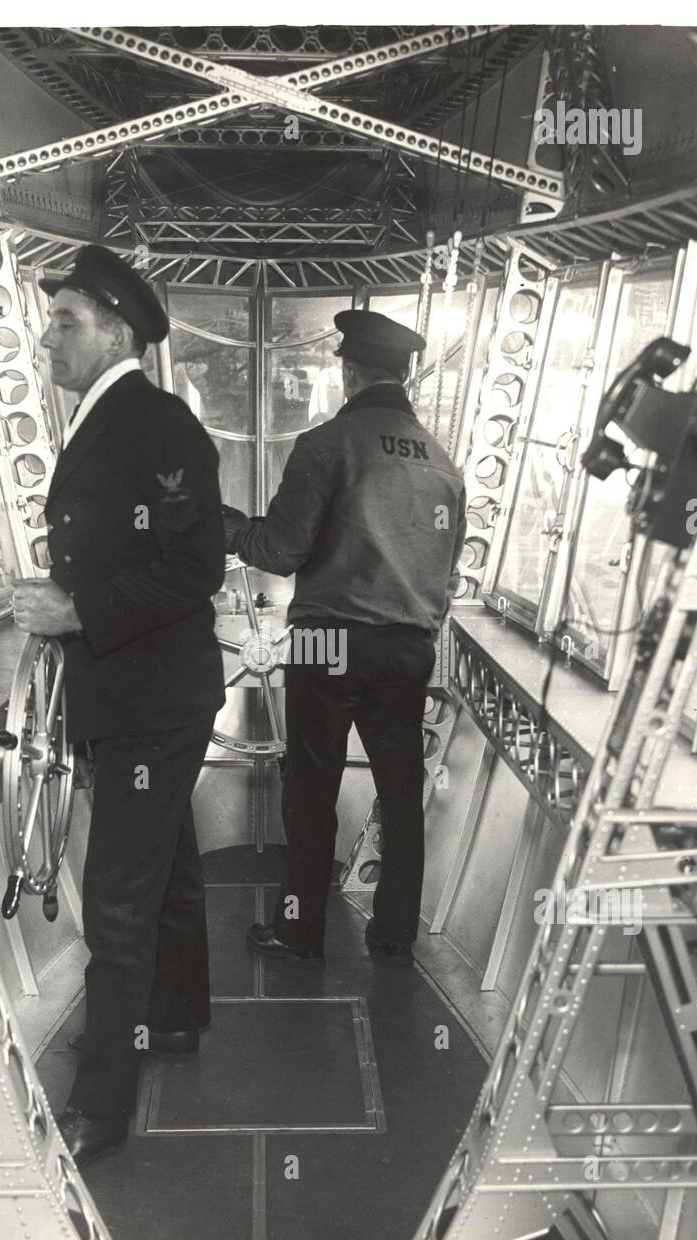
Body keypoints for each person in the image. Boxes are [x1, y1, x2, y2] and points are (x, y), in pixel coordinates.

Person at [12, 245, 226, 1167]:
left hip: (152, 700)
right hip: (132, 693)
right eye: (50, 318)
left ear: (115, 331)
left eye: (65, 321)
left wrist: (77, 608)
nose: (46, 337)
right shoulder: (104, 419)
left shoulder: (159, 424)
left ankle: (101, 1106)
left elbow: (193, 566)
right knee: (166, 865)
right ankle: (175, 1018)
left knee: (117, 901)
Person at [223, 310, 466, 966]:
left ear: (348, 369)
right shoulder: (443, 465)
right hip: (408, 645)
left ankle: (299, 932)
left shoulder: (327, 445)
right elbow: (445, 571)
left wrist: (224, 526)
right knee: (399, 790)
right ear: (404, 373)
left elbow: (279, 550)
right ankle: (393, 935)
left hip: (326, 640)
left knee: (309, 789)